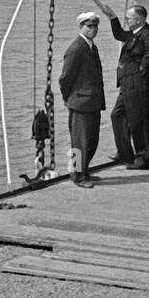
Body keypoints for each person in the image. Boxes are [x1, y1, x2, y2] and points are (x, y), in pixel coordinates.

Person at [103, 2, 149, 170]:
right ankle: (126, 154)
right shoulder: (135, 33)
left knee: (139, 121)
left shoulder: (146, 34)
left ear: (139, 19)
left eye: (129, 18)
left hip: (138, 83)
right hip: (128, 83)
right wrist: (113, 18)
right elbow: (120, 34)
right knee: (117, 115)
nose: (126, 20)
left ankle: (144, 159)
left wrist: (142, 66)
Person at [58, 11, 106, 187]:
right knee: (80, 142)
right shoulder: (76, 49)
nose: (93, 29)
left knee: (91, 140)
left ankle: (83, 171)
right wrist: (69, 98)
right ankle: (77, 176)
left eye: (95, 26)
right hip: (80, 103)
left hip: (92, 102)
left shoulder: (91, 47)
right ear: (81, 27)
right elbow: (65, 78)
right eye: (89, 26)